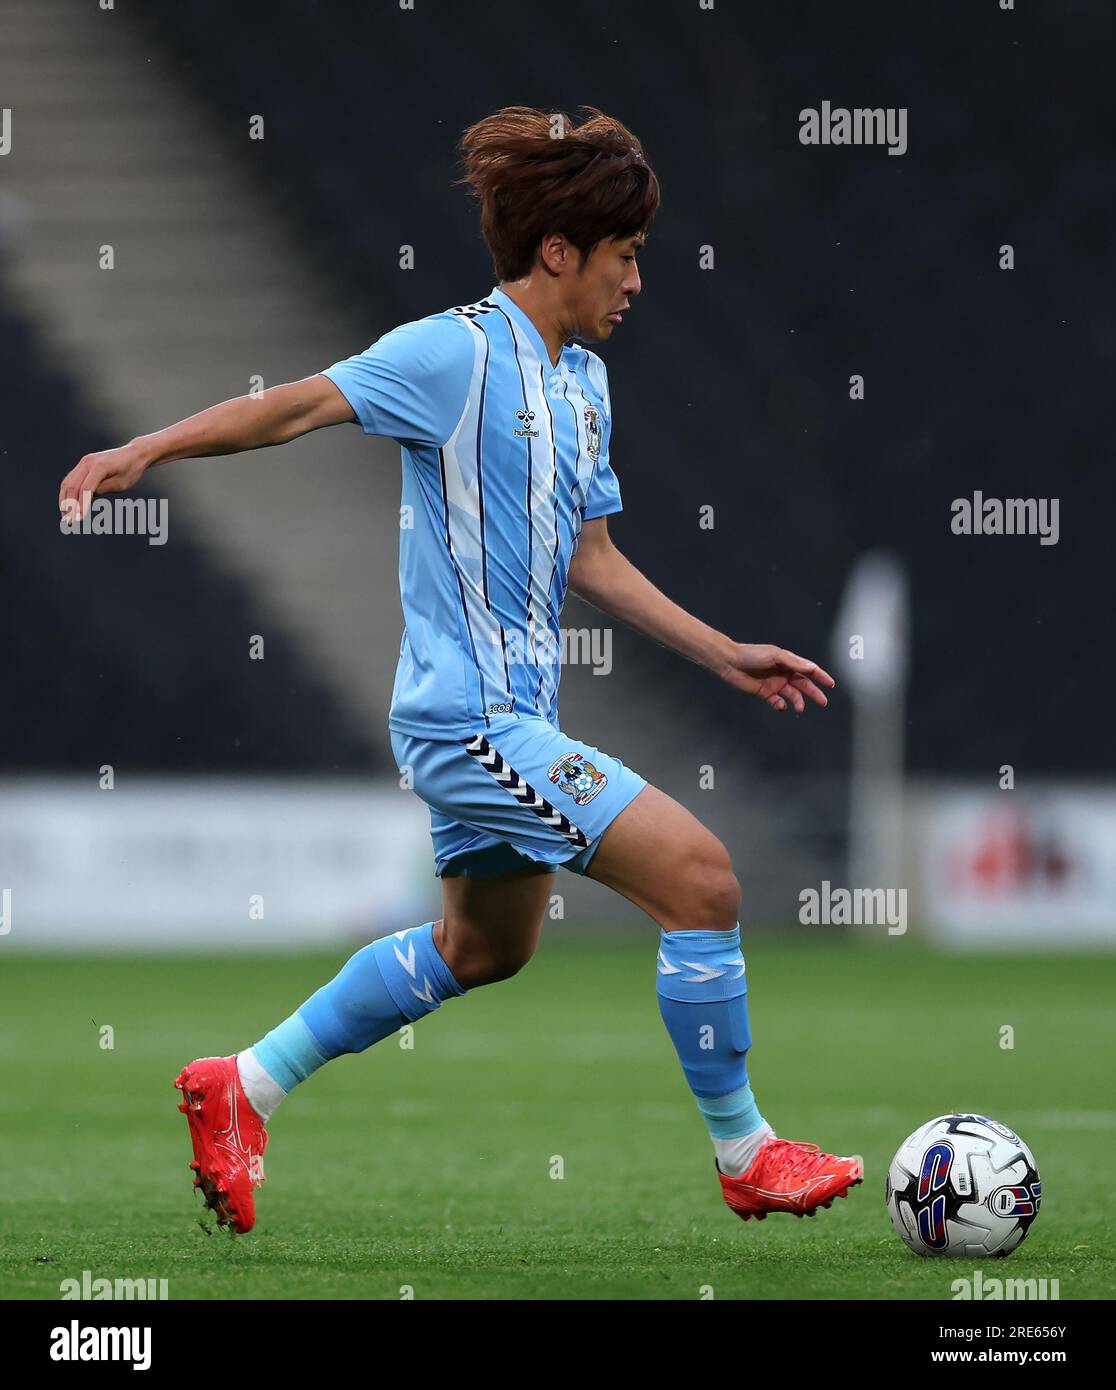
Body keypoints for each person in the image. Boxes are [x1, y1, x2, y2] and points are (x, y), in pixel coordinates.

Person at [58, 105, 861, 1235]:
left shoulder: (586, 384)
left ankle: (242, 1085)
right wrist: (145, 446)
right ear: (559, 251)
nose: (637, 283)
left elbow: (595, 559)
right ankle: (747, 1151)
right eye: (626, 258)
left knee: (483, 947)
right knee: (705, 879)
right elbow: (290, 407)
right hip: (469, 723)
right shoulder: (449, 352)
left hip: (509, 717)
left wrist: (722, 650)